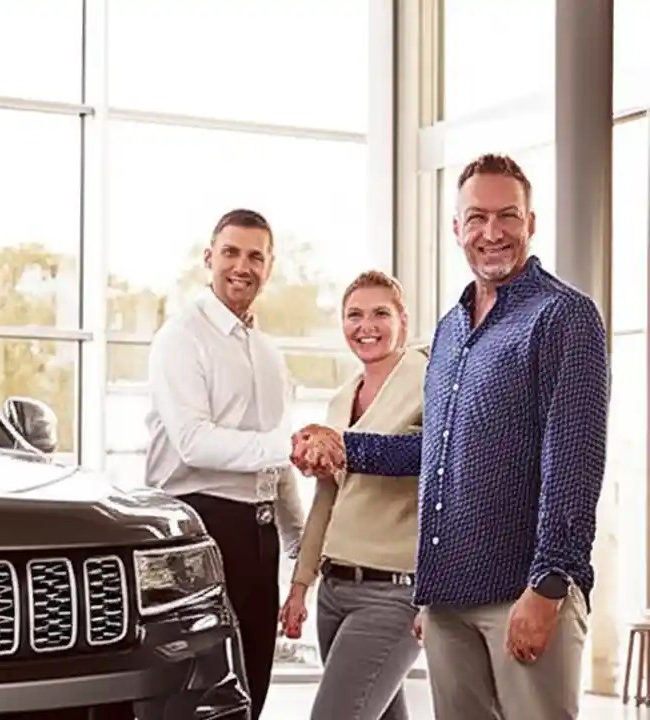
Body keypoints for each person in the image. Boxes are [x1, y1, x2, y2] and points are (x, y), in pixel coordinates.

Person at [291, 153, 607, 720]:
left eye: (507, 216)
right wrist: (347, 445)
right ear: (457, 228)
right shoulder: (452, 329)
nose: (492, 232)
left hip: (521, 592)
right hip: (447, 600)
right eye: (476, 218)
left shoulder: (563, 317)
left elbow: (574, 463)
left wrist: (550, 585)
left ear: (531, 223)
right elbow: (439, 449)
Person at [145, 208, 304, 718]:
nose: (242, 266)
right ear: (208, 258)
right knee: (198, 687)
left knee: (253, 680)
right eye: (231, 252)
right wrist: (291, 446)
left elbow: (274, 465)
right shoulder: (181, 338)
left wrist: (298, 540)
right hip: (198, 527)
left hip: (258, 535)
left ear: (269, 266)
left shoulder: (268, 353)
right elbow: (194, 443)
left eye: (255, 256)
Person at [277, 270, 426, 720]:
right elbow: (327, 499)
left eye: (381, 313)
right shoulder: (341, 399)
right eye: (354, 315)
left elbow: (440, 473)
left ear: (402, 318)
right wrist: (301, 584)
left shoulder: (430, 380)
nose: (367, 326)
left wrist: (435, 595)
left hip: (393, 594)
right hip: (335, 592)